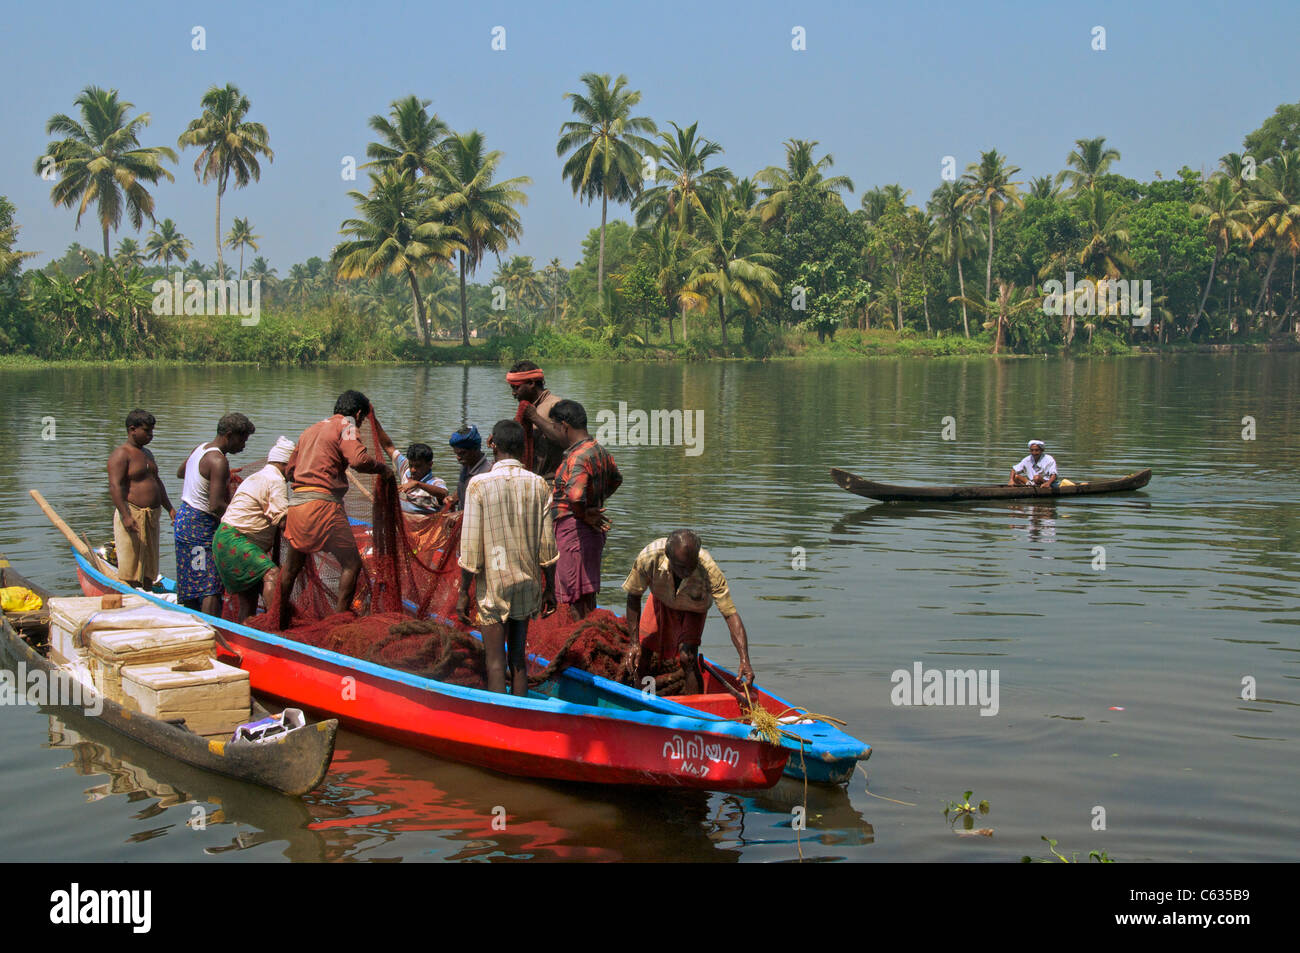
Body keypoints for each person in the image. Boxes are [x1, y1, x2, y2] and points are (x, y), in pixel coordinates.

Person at [456, 420, 557, 695]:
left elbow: (471, 550)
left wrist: (464, 592)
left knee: (495, 663)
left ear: (492, 444)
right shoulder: (539, 485)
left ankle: (500, 723)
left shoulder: (478, 485)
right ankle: (521, 718)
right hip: (527, 583)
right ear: (523, 449)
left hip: (493, 586)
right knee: (518, 662)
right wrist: (550, 589)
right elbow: (548, 548)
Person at [278, 391, 392, 629]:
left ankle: (277, 618)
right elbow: (359, 461)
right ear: (359, 414)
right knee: (352, 563)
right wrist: (383, 469)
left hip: (297, 506)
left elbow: (290, 471)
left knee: (291, 566)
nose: (360, 424)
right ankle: (337, 624)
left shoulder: (310, 430)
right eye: (362, 420)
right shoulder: (347, 425)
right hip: (324, 508)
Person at [622, 530, 755, 694]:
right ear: (668, 557)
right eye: (682, 567)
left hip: (695, 607)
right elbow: (633, 596)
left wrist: (744, 659)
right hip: (661, 599)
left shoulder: (709, 569)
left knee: (688, 658)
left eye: (691, 566)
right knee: (644, 652)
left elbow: (730, 614)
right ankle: (638, 697)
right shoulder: (649, 557)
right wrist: (634, 643)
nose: (687, 572)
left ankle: (695, 708)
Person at [175, 413, 255, 613]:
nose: (244, 445)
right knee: (209, 584)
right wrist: (243, 519)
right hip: (200, 526)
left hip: (184, 519)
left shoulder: (201, 449)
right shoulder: (218, 461)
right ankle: (212, 630)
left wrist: (212, 478)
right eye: (242, 439)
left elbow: (181, 472)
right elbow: (216, 505)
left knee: (192, 580)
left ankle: (192, 622)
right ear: (229, 435)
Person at [549, 399, 622, 619]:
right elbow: (616, 479)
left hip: (575, 532)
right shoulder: (599, 450)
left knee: (573, 597)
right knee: (587, 594)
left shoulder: (579, 456)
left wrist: (583, 513)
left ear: (564, 426)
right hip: (589, 534)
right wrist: (595, 504)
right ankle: (587, 636)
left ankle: (578, 644)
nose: (555, 432)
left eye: (554, 427)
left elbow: (575, 495)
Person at [213, 436, 293, 622]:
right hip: (237, 541)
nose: (294, 472)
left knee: (248, 601)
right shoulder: (276, 480)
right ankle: (277, 628)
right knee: (272, 574)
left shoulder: (259, 476)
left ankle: (247, 634)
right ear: (284, 464)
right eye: (293, 466)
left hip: (223, 540)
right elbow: (282, 521)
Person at [106, 409, 175, 590]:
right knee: (131, 561)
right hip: (132, 512)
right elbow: (115, 486)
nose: (150, 435)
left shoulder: (147, 454)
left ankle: (147, 591)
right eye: (147, 431)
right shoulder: (121, 454)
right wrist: (126, 516)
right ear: (132, 429)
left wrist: (170, 508)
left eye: (152, 431)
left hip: (151, 515)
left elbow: (157, 482)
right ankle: (130, 593)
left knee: (149, 563)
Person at [371, 418, 449, 514]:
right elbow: (388, 446)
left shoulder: (435, 482)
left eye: (418, 466)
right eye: (411, 465)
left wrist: (418, 484)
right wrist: (373, 419)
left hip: (424, 526)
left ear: (430, 465)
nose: (412, 470)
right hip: (402, 524)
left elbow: (444, 494)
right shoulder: (405, 468)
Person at [506, 361, 565, 481]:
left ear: (531, 383)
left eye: (516, 388)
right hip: (529, 479)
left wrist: (535, 418)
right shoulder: (526, 408)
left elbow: (564, 440)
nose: (513, 393)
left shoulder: (556, 405)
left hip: (550, 481)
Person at [445, 425, 490, 512]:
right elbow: (464, 489)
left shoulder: (487, 472)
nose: (458, 457)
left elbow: (484, 508)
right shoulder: (465, 466)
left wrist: (459, 515)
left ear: (475, 449)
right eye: (456, 453)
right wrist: (453, 498)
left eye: (462, 453)